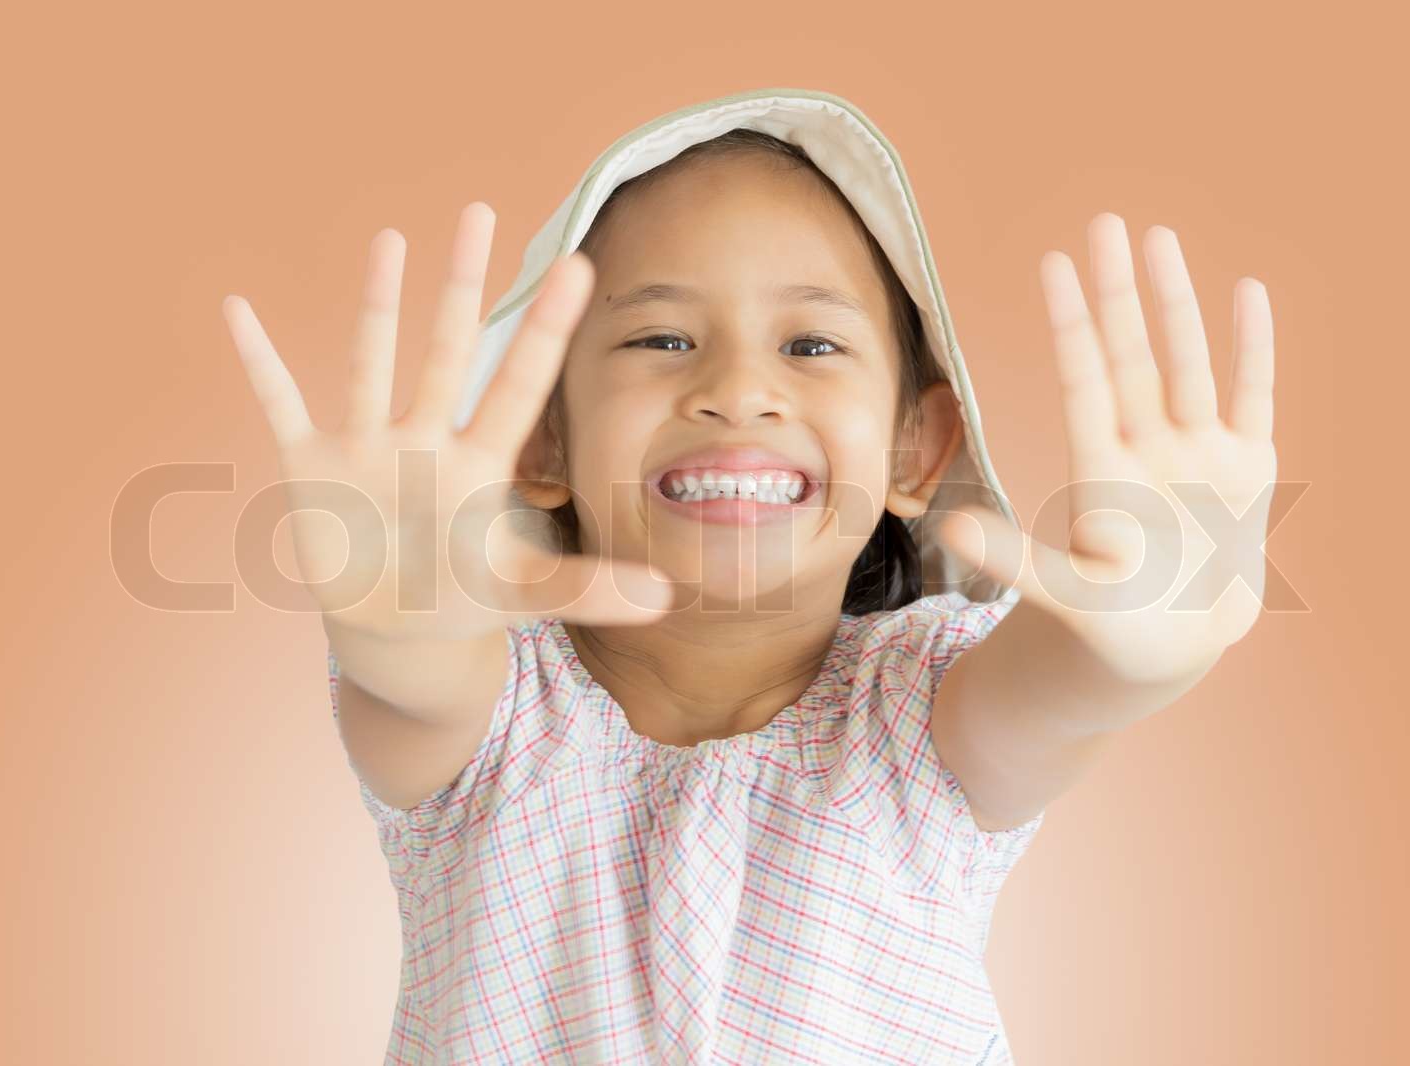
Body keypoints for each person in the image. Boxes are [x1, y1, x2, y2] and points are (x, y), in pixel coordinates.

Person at [223, 88, 1277, 1065]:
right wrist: (394, 624)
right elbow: (412, 676)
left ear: (915, 449)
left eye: (812, 344)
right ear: (543, 440)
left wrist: (1142, 655)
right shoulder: (493, 724)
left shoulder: (920, 716)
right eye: (662, 336)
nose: (737, 389)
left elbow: (1055, 695)